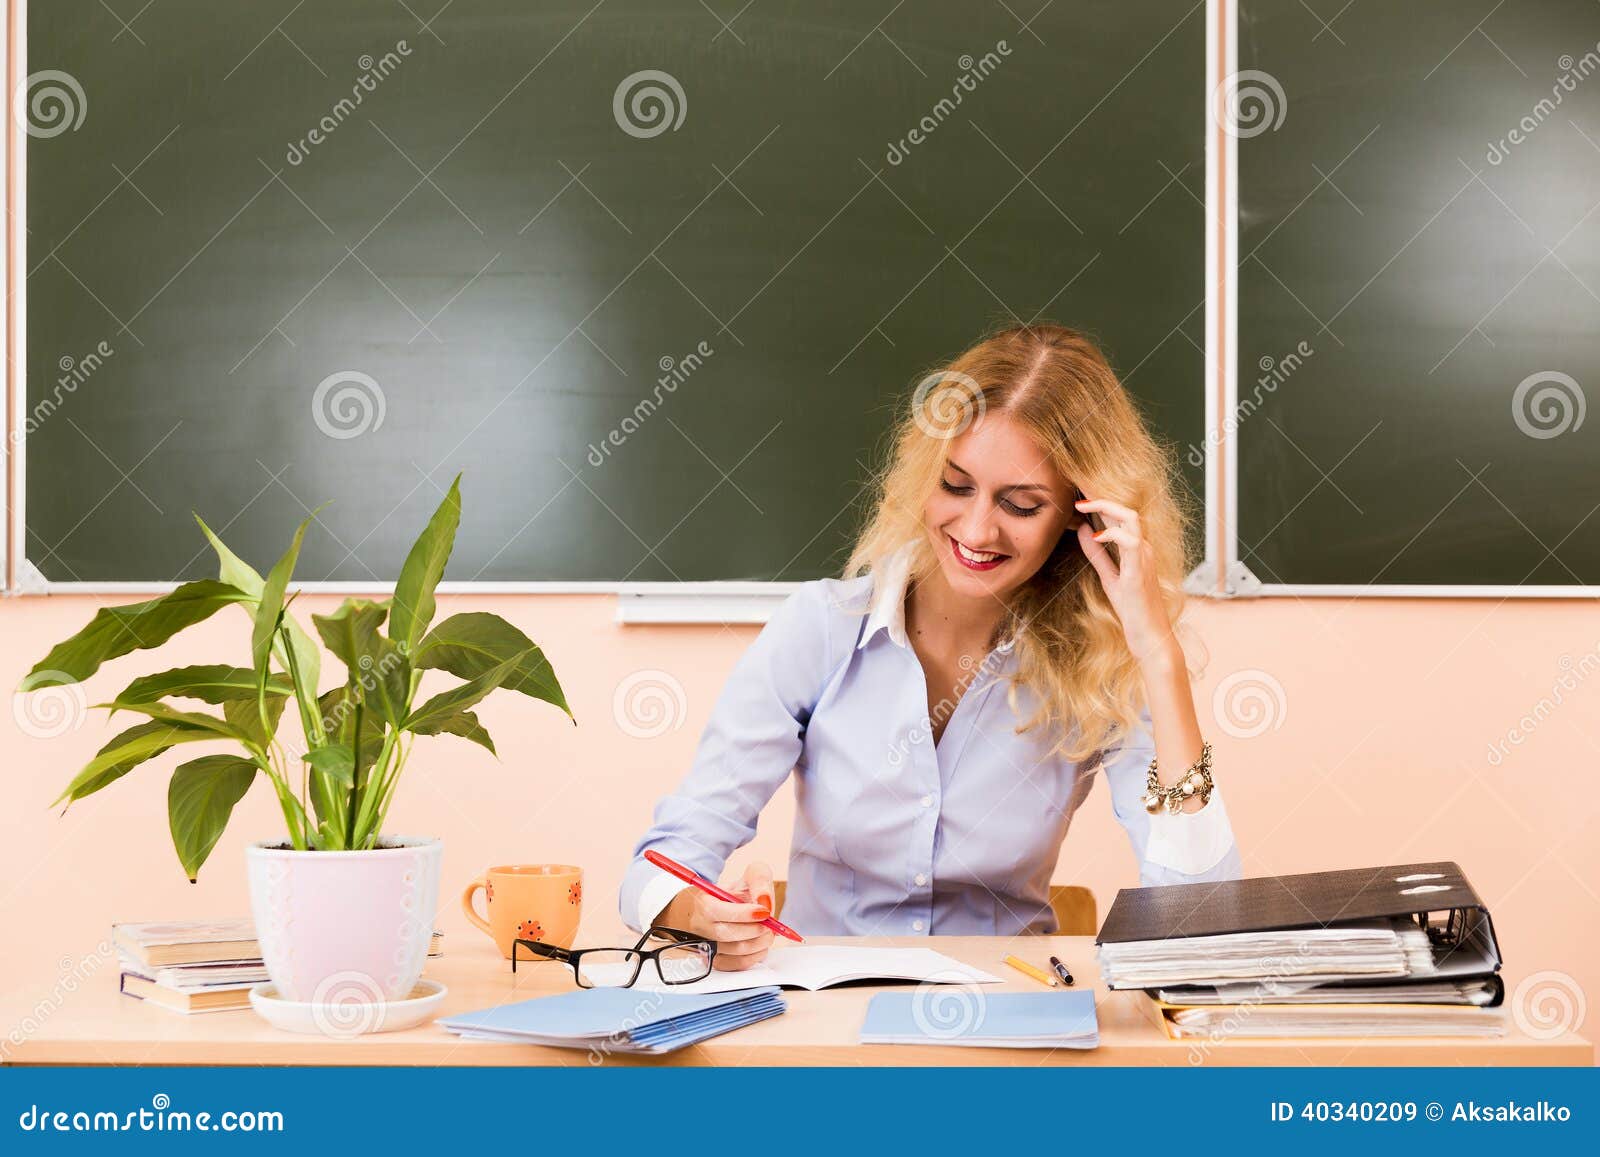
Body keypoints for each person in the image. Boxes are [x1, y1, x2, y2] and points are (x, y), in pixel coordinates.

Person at [619, 323, 1240, 970]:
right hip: (827, 1031)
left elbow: (1204, 931)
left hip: (1006, 1026)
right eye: (956, 484)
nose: (976, 528)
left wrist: (1158, 656)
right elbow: (656, 867)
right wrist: (695, 911)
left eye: (1022, 505)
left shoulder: (1103, 662)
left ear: (1079, 518)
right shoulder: (820, 629)